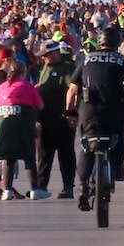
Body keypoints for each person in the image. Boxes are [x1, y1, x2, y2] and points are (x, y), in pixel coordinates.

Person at [72, 28, 124, 210]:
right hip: (114, 109)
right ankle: (117, 167)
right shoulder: (122, 60)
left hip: (88, 110)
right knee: (119, 137)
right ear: (117, 44)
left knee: (85, 145)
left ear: (99, 43)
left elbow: (72, 88)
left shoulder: (87, 59)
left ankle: (83, 186)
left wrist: (69, 110)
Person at [0, 57, 42, 200]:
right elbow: (40, 105)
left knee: (8, 158)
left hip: (5, 126)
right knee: (29, 158)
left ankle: (6, 190)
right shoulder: (27, 86)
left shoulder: (2, 87)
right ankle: (34, 189)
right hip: (23, 125)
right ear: (23, 73)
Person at [34, 45, 77, 198]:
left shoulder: (67, 68)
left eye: (46, 55)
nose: (43, 58)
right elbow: (44, 85)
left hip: (62, 120)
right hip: (45, 119)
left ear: (55, 53)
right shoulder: (46, 67)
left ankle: (68, 186)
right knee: (44, 155)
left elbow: (73, 90)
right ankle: (41, 186)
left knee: (66, 155)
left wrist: (72, 113)